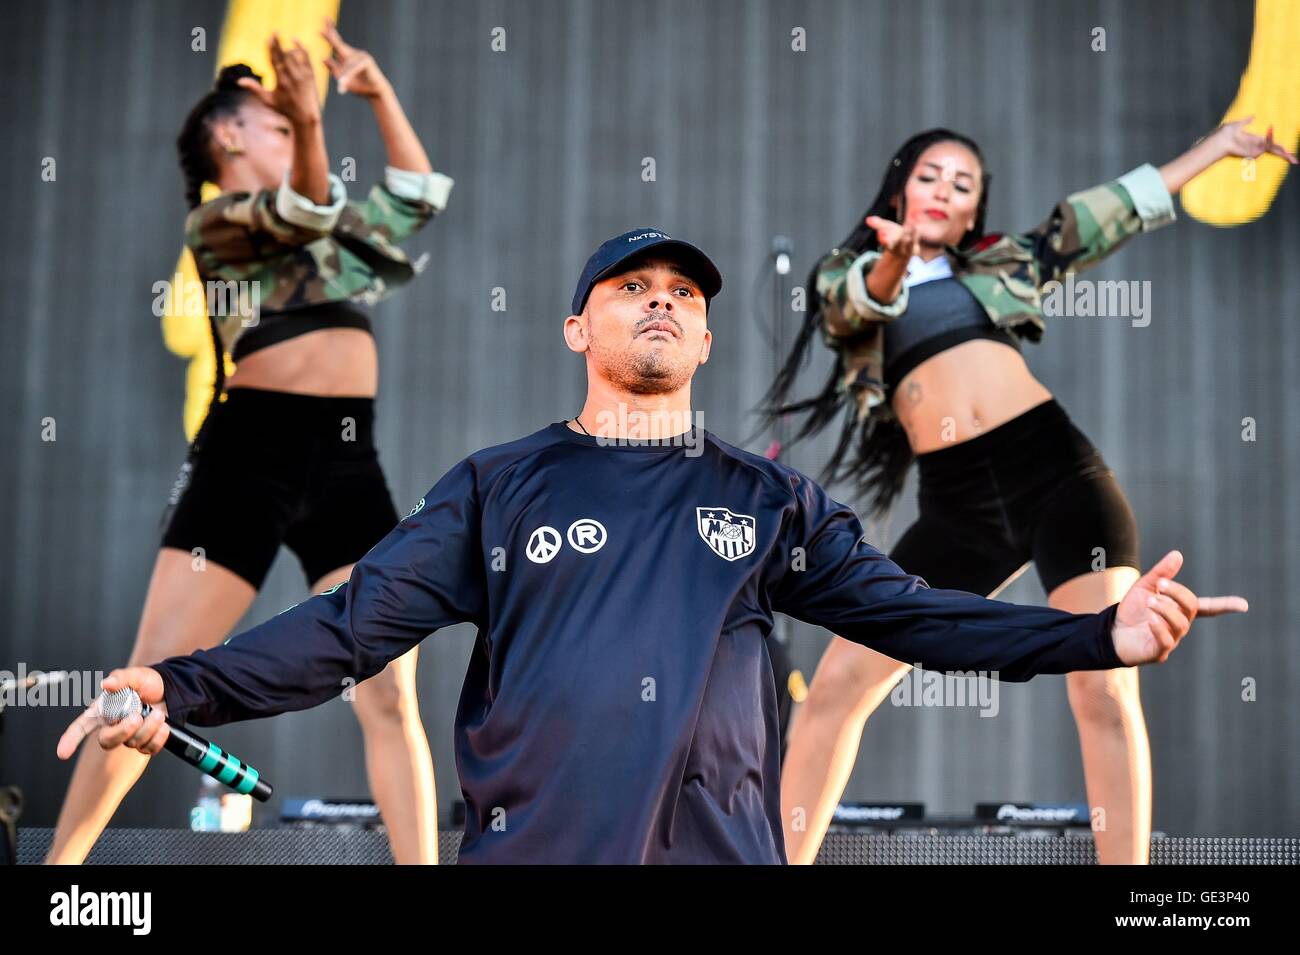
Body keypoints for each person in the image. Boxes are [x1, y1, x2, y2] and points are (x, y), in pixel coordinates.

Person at [57, 228, 1246, 864]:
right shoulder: (494, 486)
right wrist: (175, 682)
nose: (664, 300)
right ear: (581, 326)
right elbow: (348, 628)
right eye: (633, 286)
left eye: (684, 290)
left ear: (709, 335)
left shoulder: (770, 499)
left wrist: (1100, 629)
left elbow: (918, 615)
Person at [763, 122, 1292, 864]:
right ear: (899, 188)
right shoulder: (850, 272)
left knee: (1104, 687)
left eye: (962, 183)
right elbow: (855, 307)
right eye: (929, 175)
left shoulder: (1004, 265)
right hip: (958, 508)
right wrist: (892, 264)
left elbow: (1109, 211)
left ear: (976, 211)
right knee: (837, 686)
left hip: (1057, 476)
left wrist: (1217, 148)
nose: (944, 190)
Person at [46, 22, 453, 865]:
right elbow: (300, 209)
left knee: (389, 694)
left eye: (293, 123)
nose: (297, 129)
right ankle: (59, 874)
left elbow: (417, 196)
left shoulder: (330, 224)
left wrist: (374, 96)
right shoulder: (220, 222)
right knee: (149, 675)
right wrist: (309, 122)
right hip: (251, 455)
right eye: (275, 123)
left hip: (349, 461)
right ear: (228, 137)